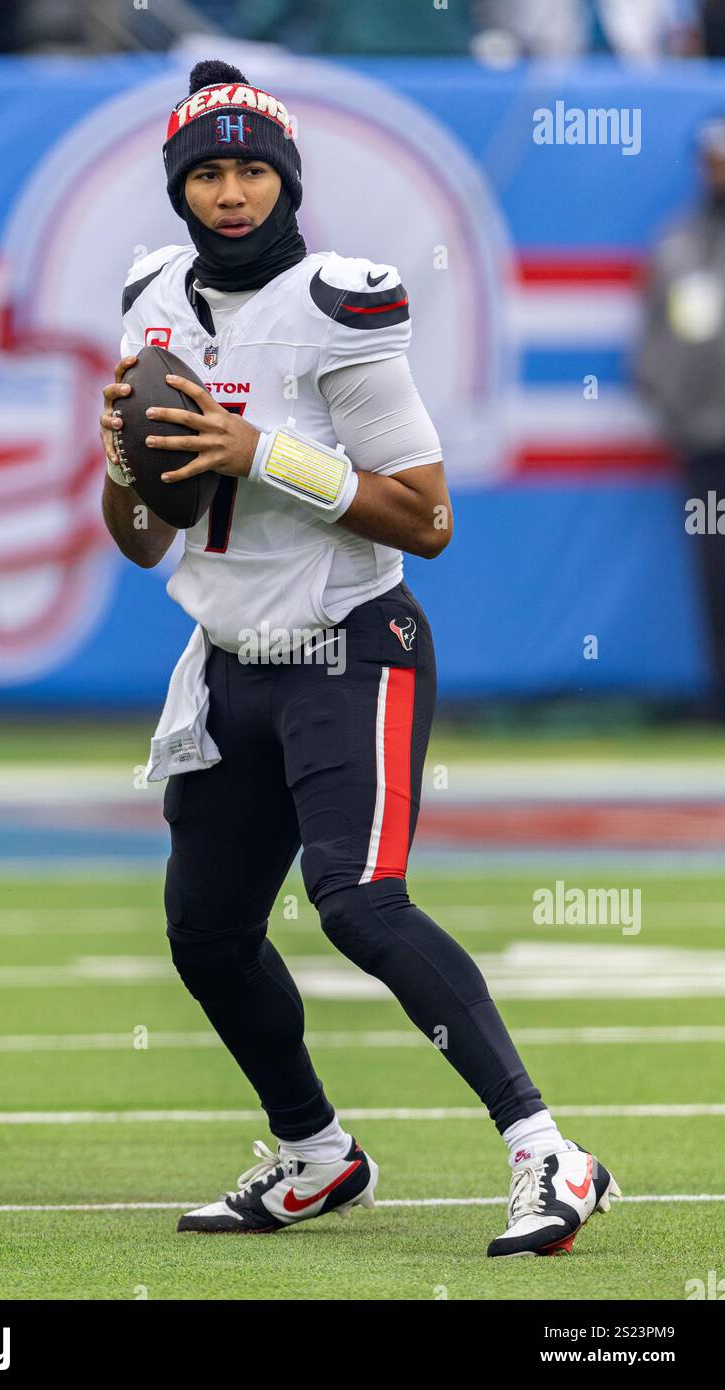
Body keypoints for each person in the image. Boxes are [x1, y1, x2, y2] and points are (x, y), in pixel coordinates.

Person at [99, 59, 620, 1255]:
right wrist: (127, 465)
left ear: (287, 181)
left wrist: (257, 451)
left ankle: (550, 1152)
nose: (231, 194)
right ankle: (315, 1153)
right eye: (209, 173)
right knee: (206, 930)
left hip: (351, 644)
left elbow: (426, 520)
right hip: (230, 660)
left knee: (357, 902)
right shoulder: (152, 298)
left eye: (250, 170)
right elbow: (137, 543)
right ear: (180, 189)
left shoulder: (338, 302)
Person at [637, 115, 725, 719]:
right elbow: (650, 344)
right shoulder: (677, 244)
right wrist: (676, 414)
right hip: (707, 442)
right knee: (714, 571)